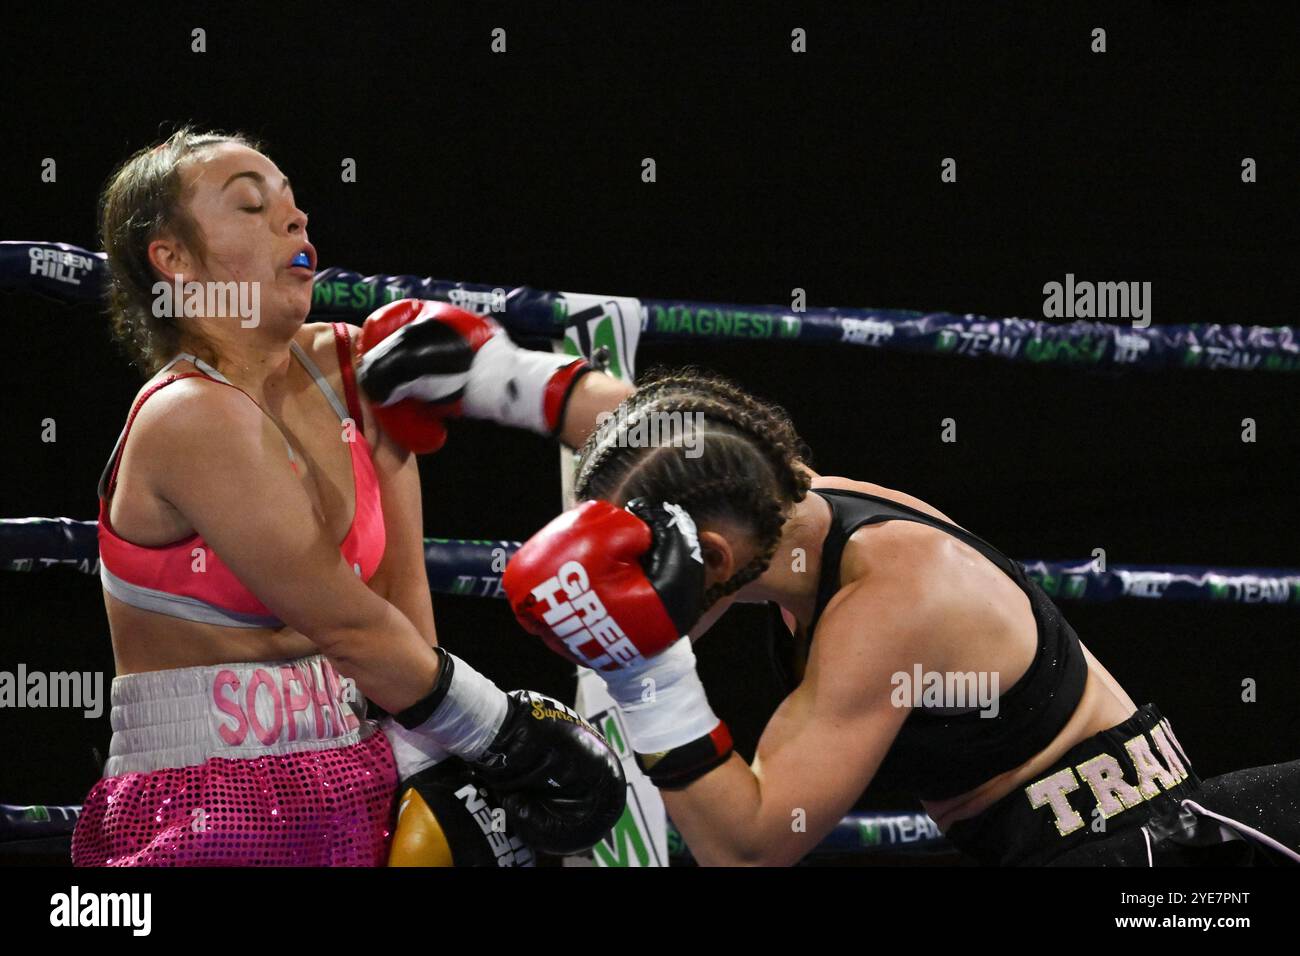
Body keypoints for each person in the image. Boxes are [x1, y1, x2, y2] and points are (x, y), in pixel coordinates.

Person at [72, 127, 628, 866]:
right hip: (206, 804)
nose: (295, 221)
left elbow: (403, 601)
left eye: (296, 205)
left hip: (361, 764)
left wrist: (430, 757)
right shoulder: (187, 416)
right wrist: (508, 739)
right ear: (172, 259)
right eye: (250, 206)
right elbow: (348, 625)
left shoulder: (360, 367)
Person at [502, 368, 1300, 866]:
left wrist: (647, 673)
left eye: (636, 565)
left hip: (1140, 860)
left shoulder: (886, 608)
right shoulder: (787, 494)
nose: (623, 586)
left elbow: (746, 849)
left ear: (707, 558)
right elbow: (674, 438)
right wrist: (513, 378)